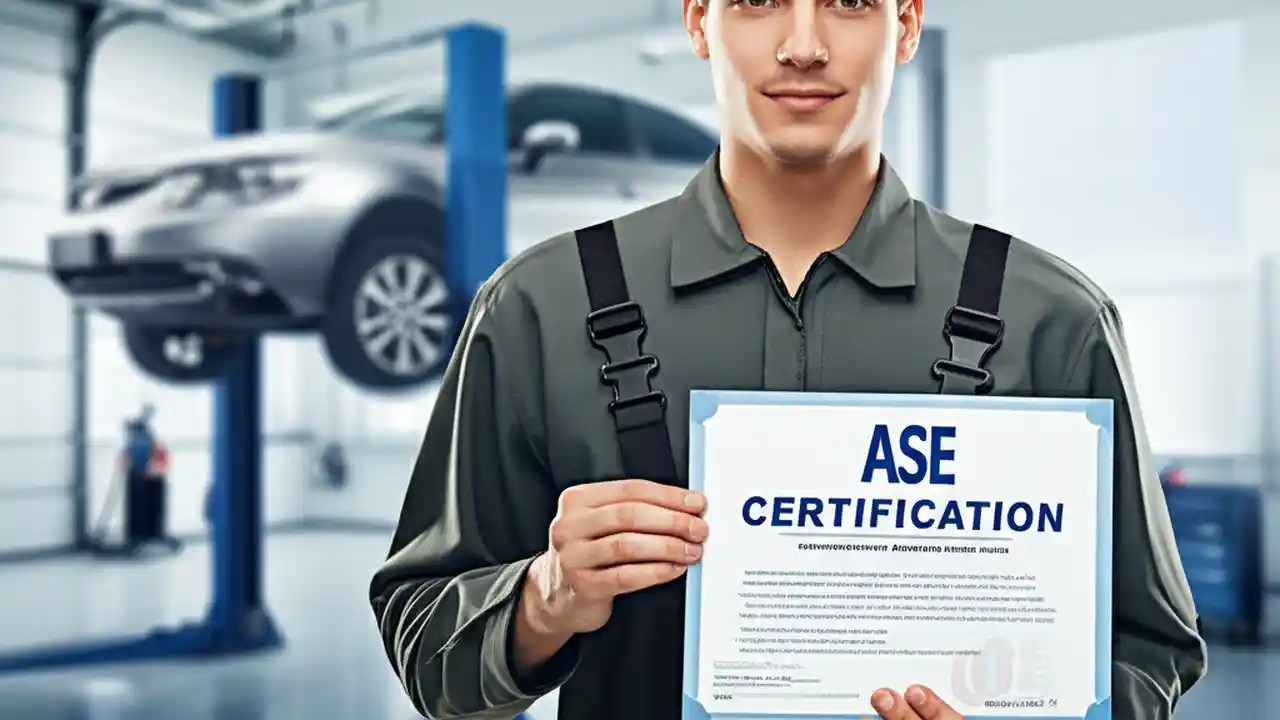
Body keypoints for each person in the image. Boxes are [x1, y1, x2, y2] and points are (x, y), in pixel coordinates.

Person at [369, 1, 1207, 718]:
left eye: (847, 2)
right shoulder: (541, 307)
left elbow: (1151, 650)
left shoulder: (1052, 319)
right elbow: (423, 636)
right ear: (701, 20)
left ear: (905, 24)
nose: (803, 43)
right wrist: (545, 598)